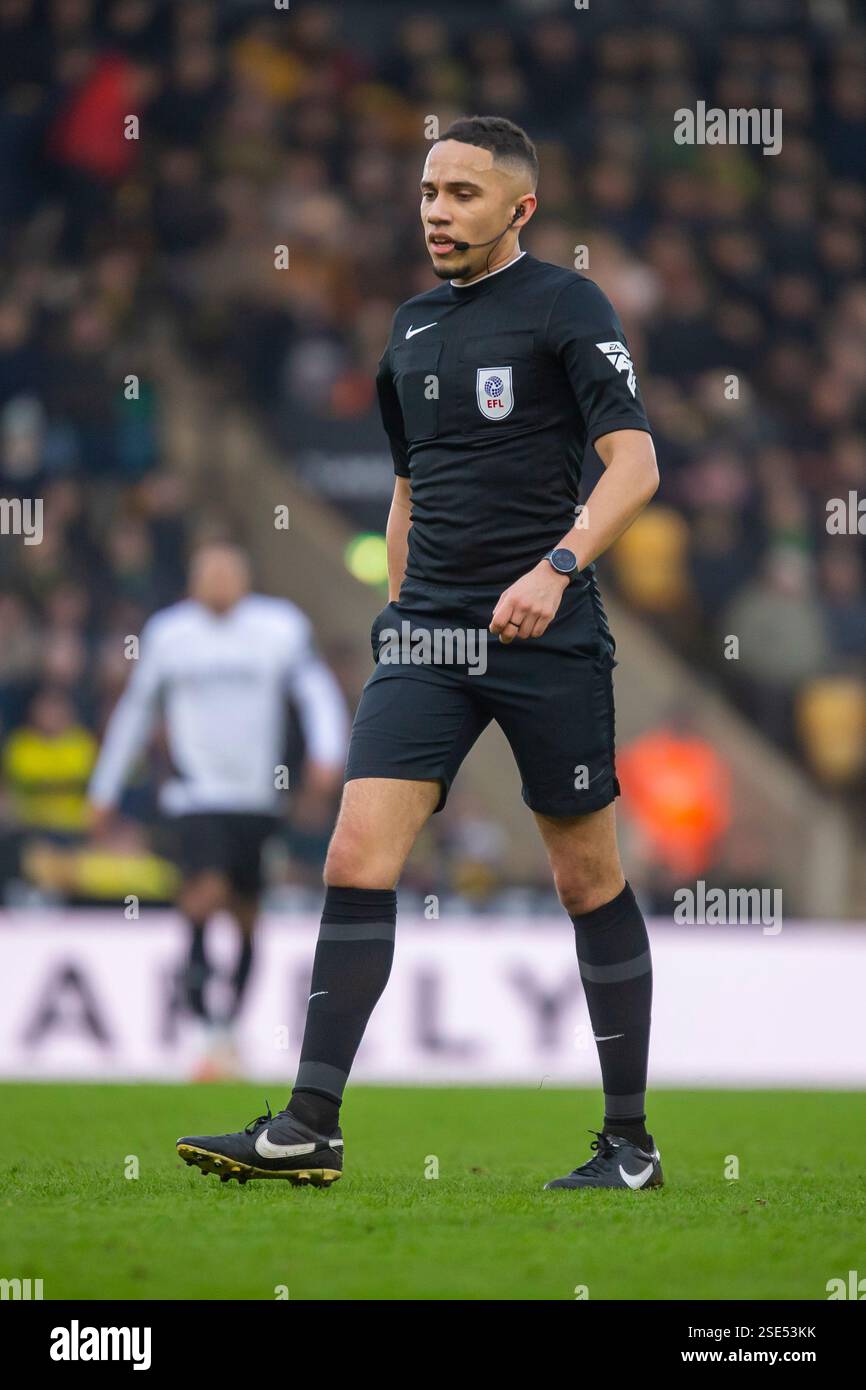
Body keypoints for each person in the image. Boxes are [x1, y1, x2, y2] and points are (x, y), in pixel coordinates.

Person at [176, 117, 662, 1190]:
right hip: (428, 637)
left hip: (549, 631)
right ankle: (310, 1123)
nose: (437, 212)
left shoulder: (564, 305)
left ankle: (627, 1143)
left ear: (518, 209)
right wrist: (397, 611)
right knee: (354, 857)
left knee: (586, 877)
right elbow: (406, 490)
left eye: (461, 194)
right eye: (429, 192)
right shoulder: (405, 329)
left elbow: (632, 465)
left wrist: (557, 567)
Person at [88, 541, 349, 1076]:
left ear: (245, 578)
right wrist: (104, 789)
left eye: (229, 572)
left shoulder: (279, 627)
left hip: (258, 797)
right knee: (204, 896)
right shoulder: (169, 634)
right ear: (194, 579)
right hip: (195, 796)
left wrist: (328, 753)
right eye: (210, 574)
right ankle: (207, 1029)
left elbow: (316, 692)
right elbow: (137, 711)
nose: (220, 582)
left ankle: (227, 1028)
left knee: (248, 916)